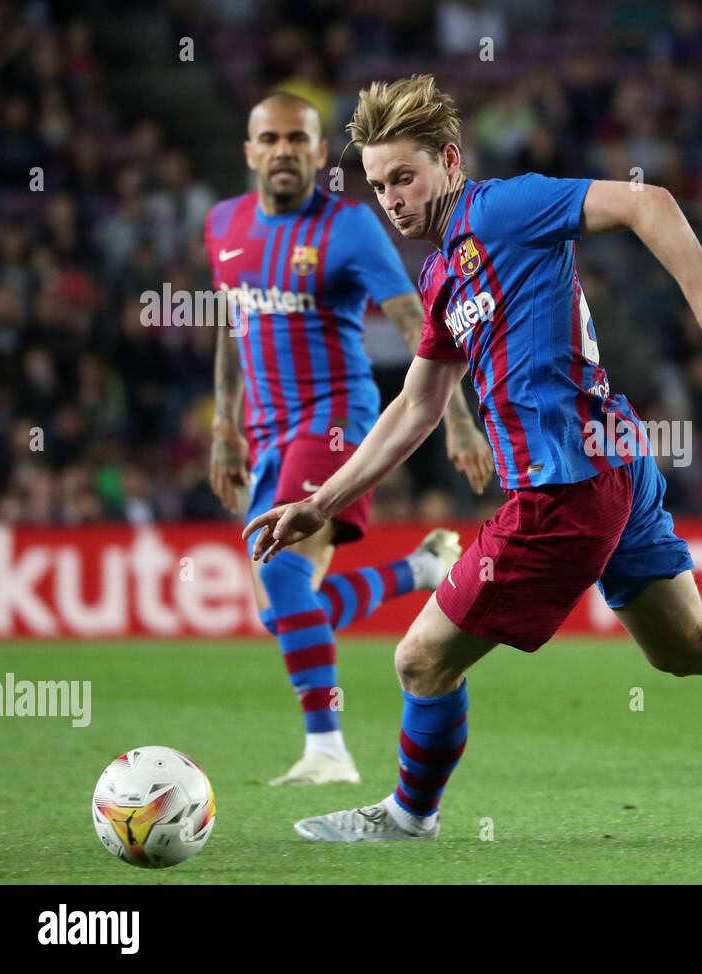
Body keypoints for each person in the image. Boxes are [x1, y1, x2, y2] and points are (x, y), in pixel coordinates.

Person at [244, 74, 702, 843]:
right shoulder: (441, 272)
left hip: (565, 489)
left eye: (404, 177)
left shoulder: (505, 208)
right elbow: (417, 406)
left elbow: (648, 203)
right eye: (379, 184)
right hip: (614, 467)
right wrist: (321, 503)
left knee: (421, 662)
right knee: (686, 648)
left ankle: (408, 816)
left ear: (449, 161)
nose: (390, 198)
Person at [207, 92, 494, 786]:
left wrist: (455, 416)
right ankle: (416, 573)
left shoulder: (349, 230)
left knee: (279, 568)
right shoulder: (223, 226)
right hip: (267, 431)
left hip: (334, 420)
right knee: (283, 613)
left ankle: (327, 748)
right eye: (269, 138)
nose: (282, 150)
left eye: (297, 139)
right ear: (250, 152)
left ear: (317, 153)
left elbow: (415, 321)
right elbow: (231, 325)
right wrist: (224, 424)